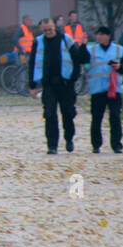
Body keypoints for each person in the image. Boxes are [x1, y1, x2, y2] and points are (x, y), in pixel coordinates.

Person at [28, 17, 90, 153]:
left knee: (68, 113)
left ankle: (69, 138)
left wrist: (74, 78)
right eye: (45, 30)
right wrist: (32, 86)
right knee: (49, 114)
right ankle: (52, 145)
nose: (48, 32)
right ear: (41, 30)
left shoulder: (65, 39)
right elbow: (32, 63)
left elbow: (77, 58)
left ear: (54, 27)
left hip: (66, 84)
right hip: (48, 84)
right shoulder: (38, 42)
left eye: (50, 29)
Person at [85, 26, 123, 154]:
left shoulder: (119, 50)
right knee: (96, 118)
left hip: (114, 89)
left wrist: (120, 66)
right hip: (97, 89)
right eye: (97, 34)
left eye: (101, 34)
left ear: (108, 36)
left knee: (115, 117)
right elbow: (83, 60)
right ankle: (96, 144)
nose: (98, 37)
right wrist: (83, 46)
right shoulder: (91, 50)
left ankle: (116, 145)